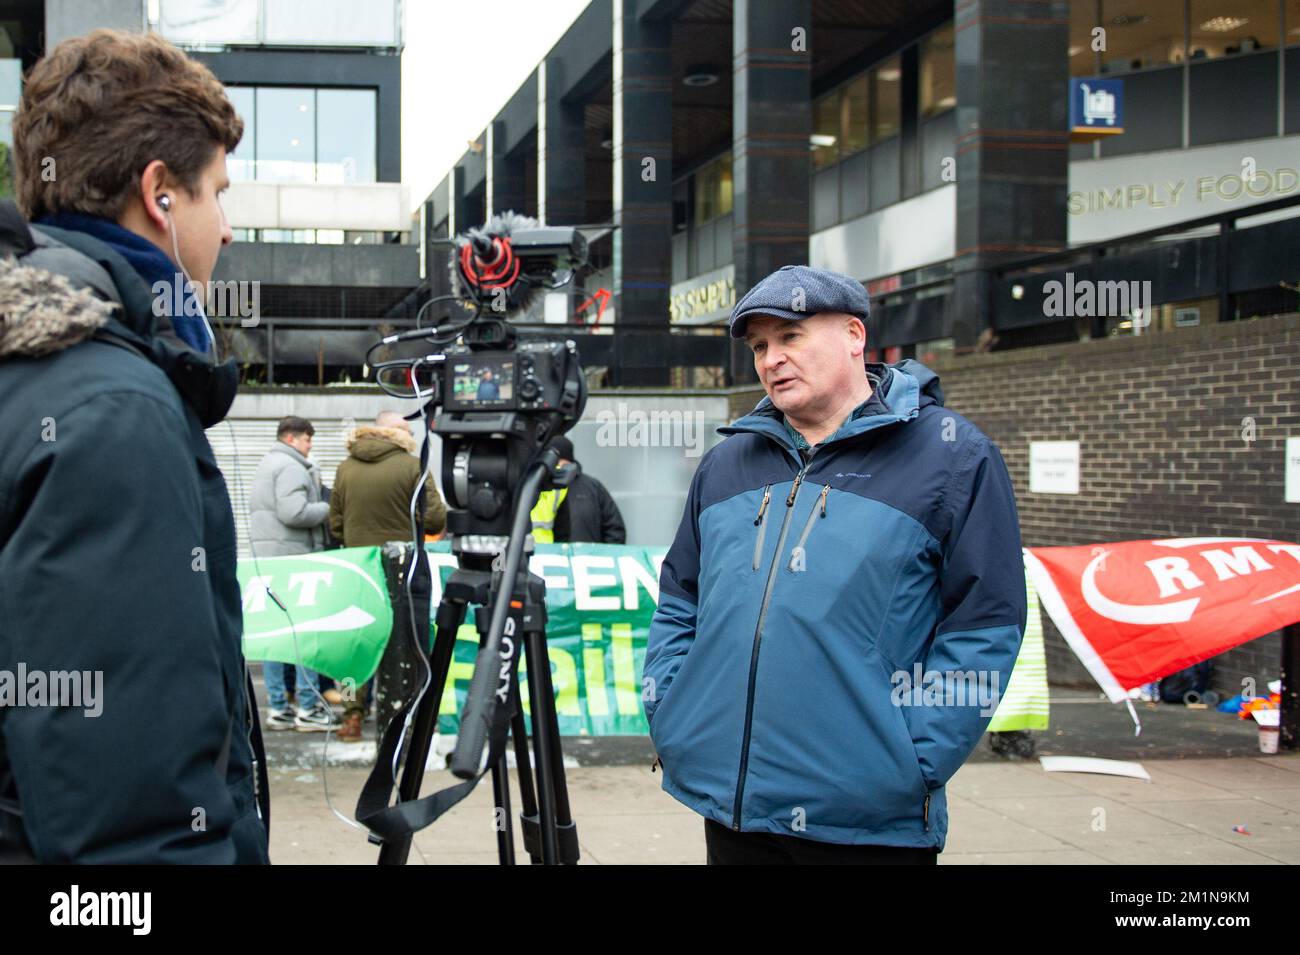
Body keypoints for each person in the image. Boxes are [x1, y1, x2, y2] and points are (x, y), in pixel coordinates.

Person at [643, 265, 1026, 865]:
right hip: (732, 807)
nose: (771, 359)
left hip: (867, 823)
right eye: (760, 346)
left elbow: (985, 624)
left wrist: (912, 761)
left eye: (790, 337)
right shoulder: (725, 464)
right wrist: (671, 712)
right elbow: (680, 600)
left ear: (854, 334)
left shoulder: (954, 457)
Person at [0, 30, 268, 862]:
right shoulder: (112, 408)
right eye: (216, 193)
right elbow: (135, 836)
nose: (225, 230)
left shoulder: (38, 375)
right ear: (160, 194)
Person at [329, 411, 447, 741]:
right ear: (395, 434)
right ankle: (403, 717)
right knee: (406, 645)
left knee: (355, 648)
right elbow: (436, 519)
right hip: (403, 571)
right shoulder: (413, 467)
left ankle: (352, 717)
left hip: (358, 567)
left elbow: (335, 524)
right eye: (408, 432)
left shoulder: (346, 467)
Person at [249, 415, 338, 732]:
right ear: (291, 438)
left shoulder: (267, 463)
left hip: (271, 559)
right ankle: (309, 707)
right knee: (304, 636)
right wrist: (332, 507)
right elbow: (294, 513)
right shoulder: (290, 467)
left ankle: (279, 708)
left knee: (277, 638)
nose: (310, 445)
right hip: (294, 559)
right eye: (307, 439)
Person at [531, 436, 626, 544]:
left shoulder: (592, 488)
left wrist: (604, 556)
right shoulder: (536, 486)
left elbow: (615, 530)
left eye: (560, 463)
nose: (558, 468)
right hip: (548, 557)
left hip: (585, 559)